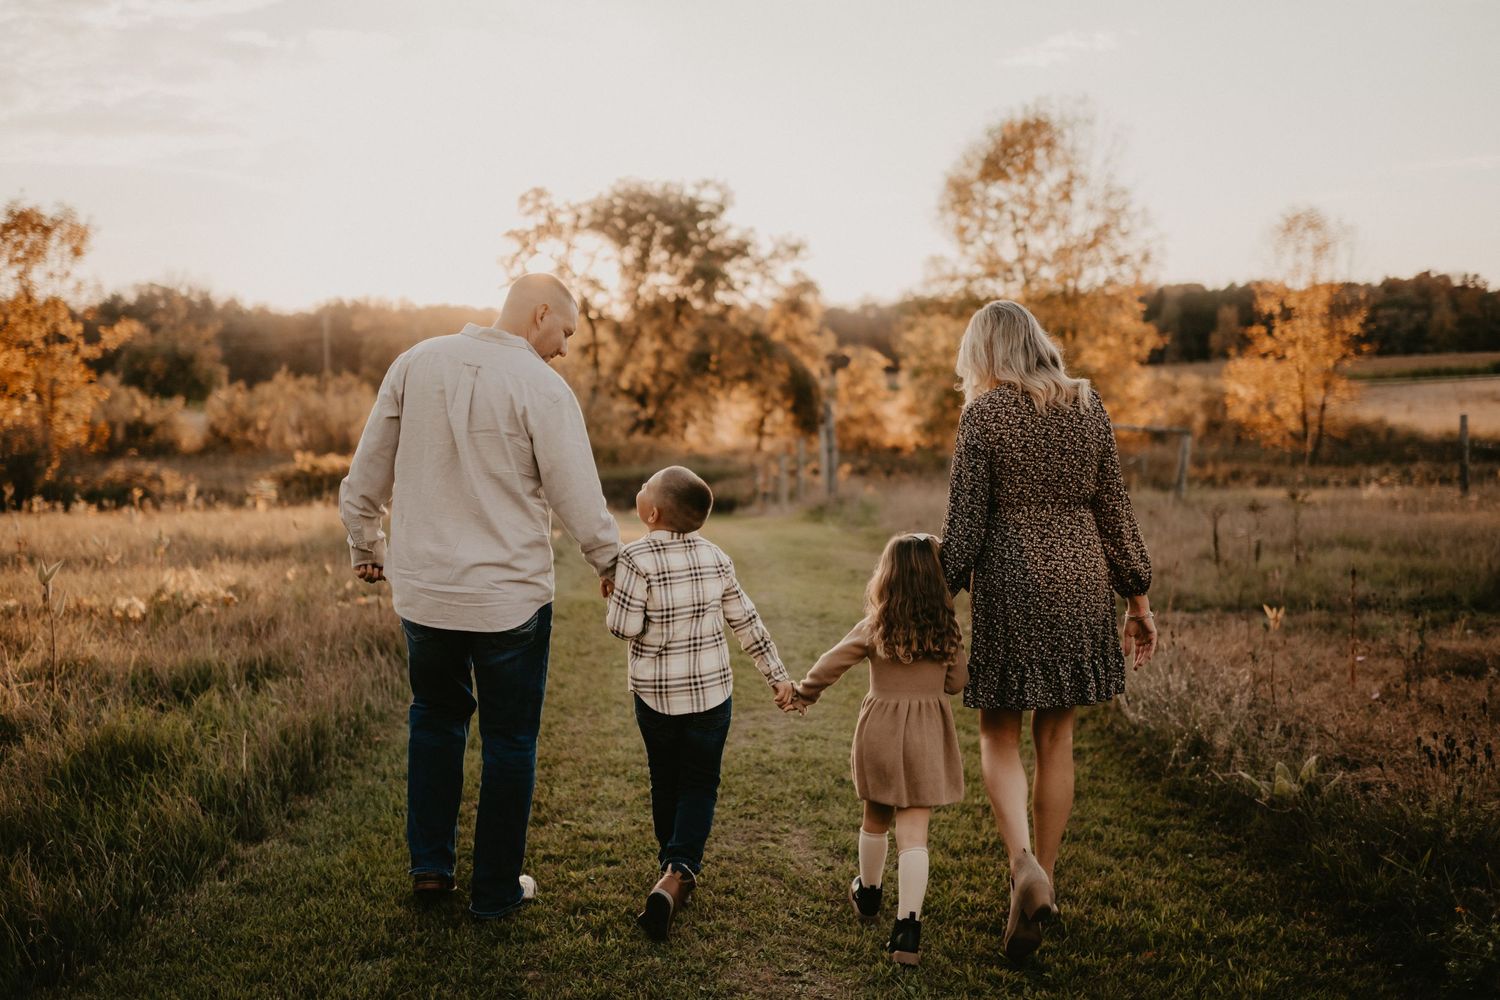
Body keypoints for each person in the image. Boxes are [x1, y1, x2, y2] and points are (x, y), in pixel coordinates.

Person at [339, 273, 620, 920]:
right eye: (566, 333)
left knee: (434, 722)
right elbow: (578, 495)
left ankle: (431, 871)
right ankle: (495, 891)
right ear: (541, 313)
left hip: (425, 593)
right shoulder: (543, 389)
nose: (565, 350)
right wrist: (608, 561)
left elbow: (366, 475)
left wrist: (366, 546)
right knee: (510, 741)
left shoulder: (415, 363)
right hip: (509, 601)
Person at [938, 299, 1157, 962]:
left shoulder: (983, 415)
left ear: (983, 353)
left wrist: (928, 596)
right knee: (1056, 736)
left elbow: (967, 527)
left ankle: (1023, 866)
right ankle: (1043, 885)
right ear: (1036, 343)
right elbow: (1114, 506)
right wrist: (1139, 598)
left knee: (998, 733)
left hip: (1011, 581)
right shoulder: (1088, 405)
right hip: (1081, 580)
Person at [605, 465, 796, 941]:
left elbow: (623, 627)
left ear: (651, 512)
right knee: (699, 781)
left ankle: (671, 867)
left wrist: (612, 595)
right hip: (712, 697)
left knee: (665, 777)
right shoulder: (716, 557)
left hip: (655, 698)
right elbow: (746, 622)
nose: (640, 487)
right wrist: (778, 676)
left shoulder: (634, 558)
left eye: (644, 484)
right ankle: (678, 868)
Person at [784, 533, 968, 967]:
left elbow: (833, 662)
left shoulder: (876, 625)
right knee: (914, 834)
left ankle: (868, 894)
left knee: (875, 818)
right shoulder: (948, 630)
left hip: (880, 734)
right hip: (926, 736)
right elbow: (958, 683)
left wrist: (804, 693)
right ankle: (908, 927)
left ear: (888, 577)